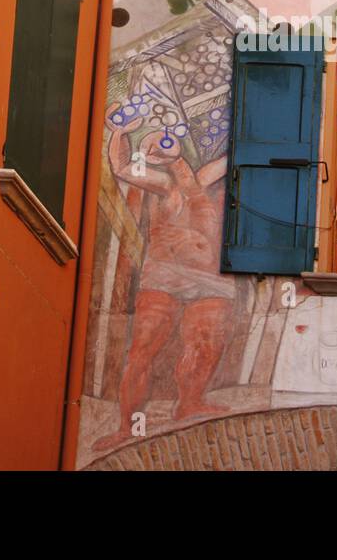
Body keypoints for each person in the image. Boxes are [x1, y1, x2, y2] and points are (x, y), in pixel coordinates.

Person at [92, 102, 233, 452]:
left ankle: (190, 402)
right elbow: (122, 167)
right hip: (165, 276)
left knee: (207, 343)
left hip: (210, 278)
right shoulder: (162, 186)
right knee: (142, 350)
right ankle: (126, 426)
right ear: (152, 159)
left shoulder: (203, 181)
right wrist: (121, 132)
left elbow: (238, 155)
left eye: (163, 141)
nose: (160, 145)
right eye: (153, 145)